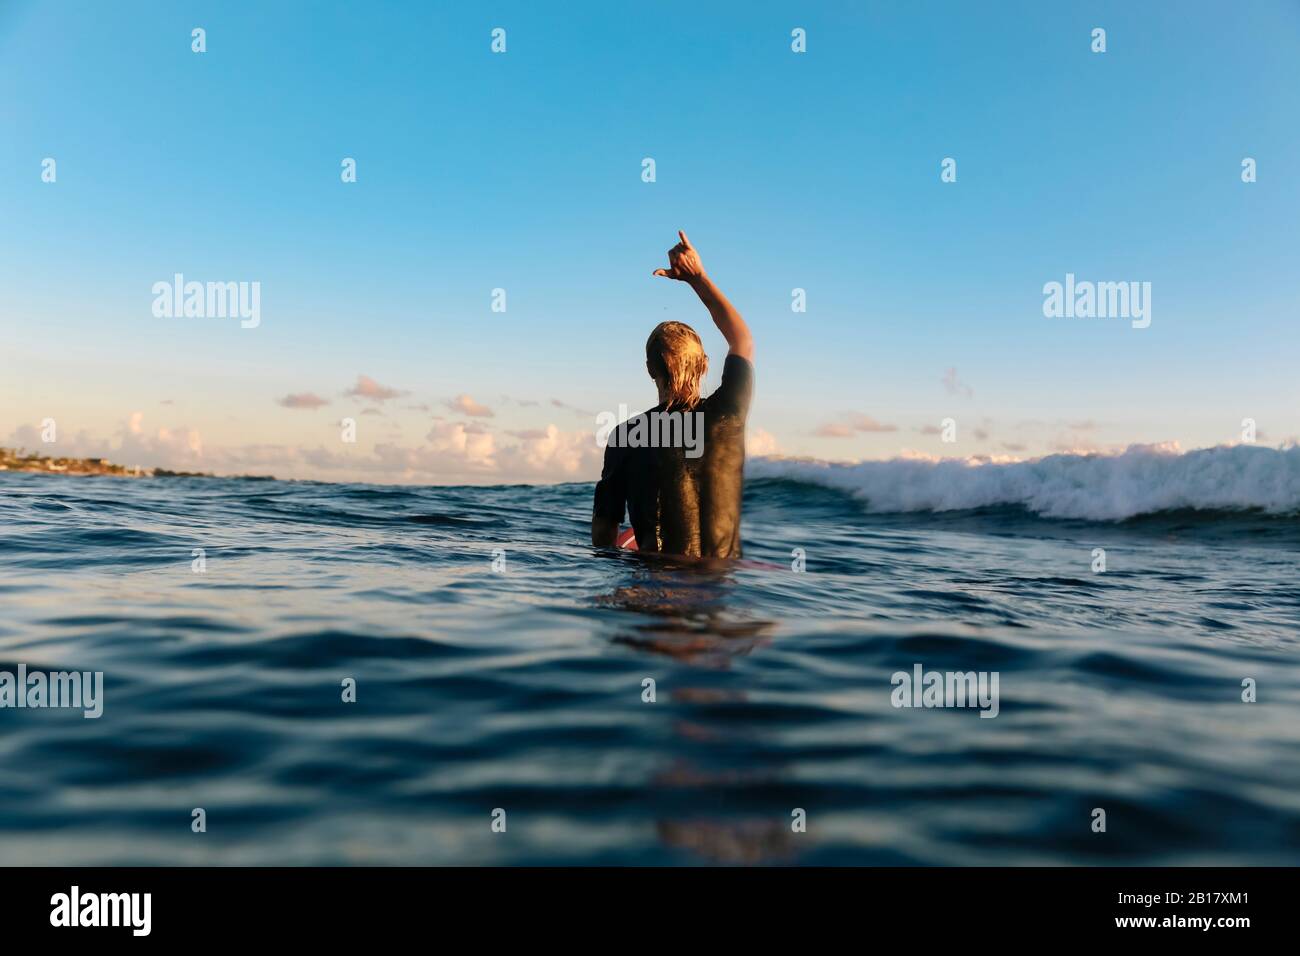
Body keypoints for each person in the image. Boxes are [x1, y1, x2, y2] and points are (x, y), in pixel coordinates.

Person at [592, 231, 755, 558]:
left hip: (653, 588)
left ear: (650, 369)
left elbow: (602, 536)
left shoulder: (626, 436)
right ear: (705, 366)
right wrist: (697, 279)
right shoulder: (727, 414)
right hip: (717, 589)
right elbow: (742, 341)